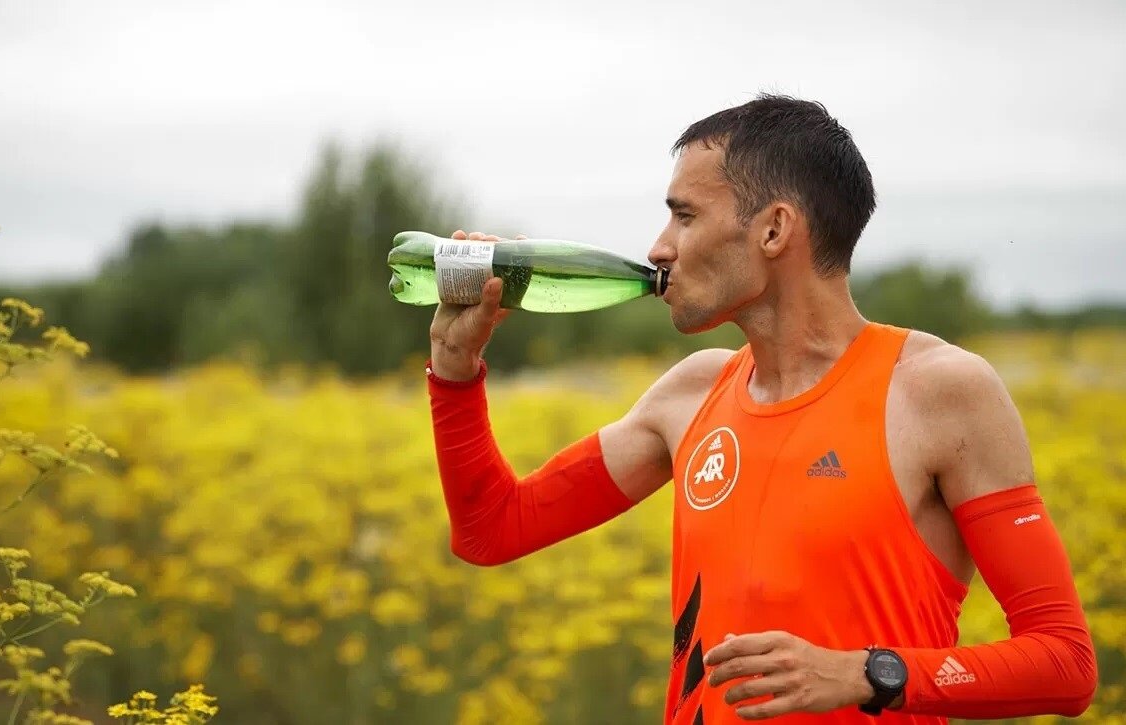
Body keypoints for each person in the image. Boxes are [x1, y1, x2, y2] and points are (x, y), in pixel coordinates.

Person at [423, 94, 1097, 723]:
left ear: (774, 230)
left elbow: (1065, 663)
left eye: (685, 215)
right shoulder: (690, 395)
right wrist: (456, 372)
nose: (659, 247)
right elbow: (491, 528)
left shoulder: (939, 393)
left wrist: (870, 672)